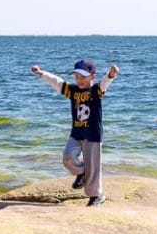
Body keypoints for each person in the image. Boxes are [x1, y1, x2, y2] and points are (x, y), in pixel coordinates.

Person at [30, 58, 119, 206]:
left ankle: (96, 196)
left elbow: (105, 83)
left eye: (83, 77)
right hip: (76, 133)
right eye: (77, 77)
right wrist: (41, 73)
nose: (79, 80)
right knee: (67, 156)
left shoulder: (96, 91)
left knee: (93, 168)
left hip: (93, 135)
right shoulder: (72, 90)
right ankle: (80, 173)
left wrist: (111, 75)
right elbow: (57, 82)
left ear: (92, 76)